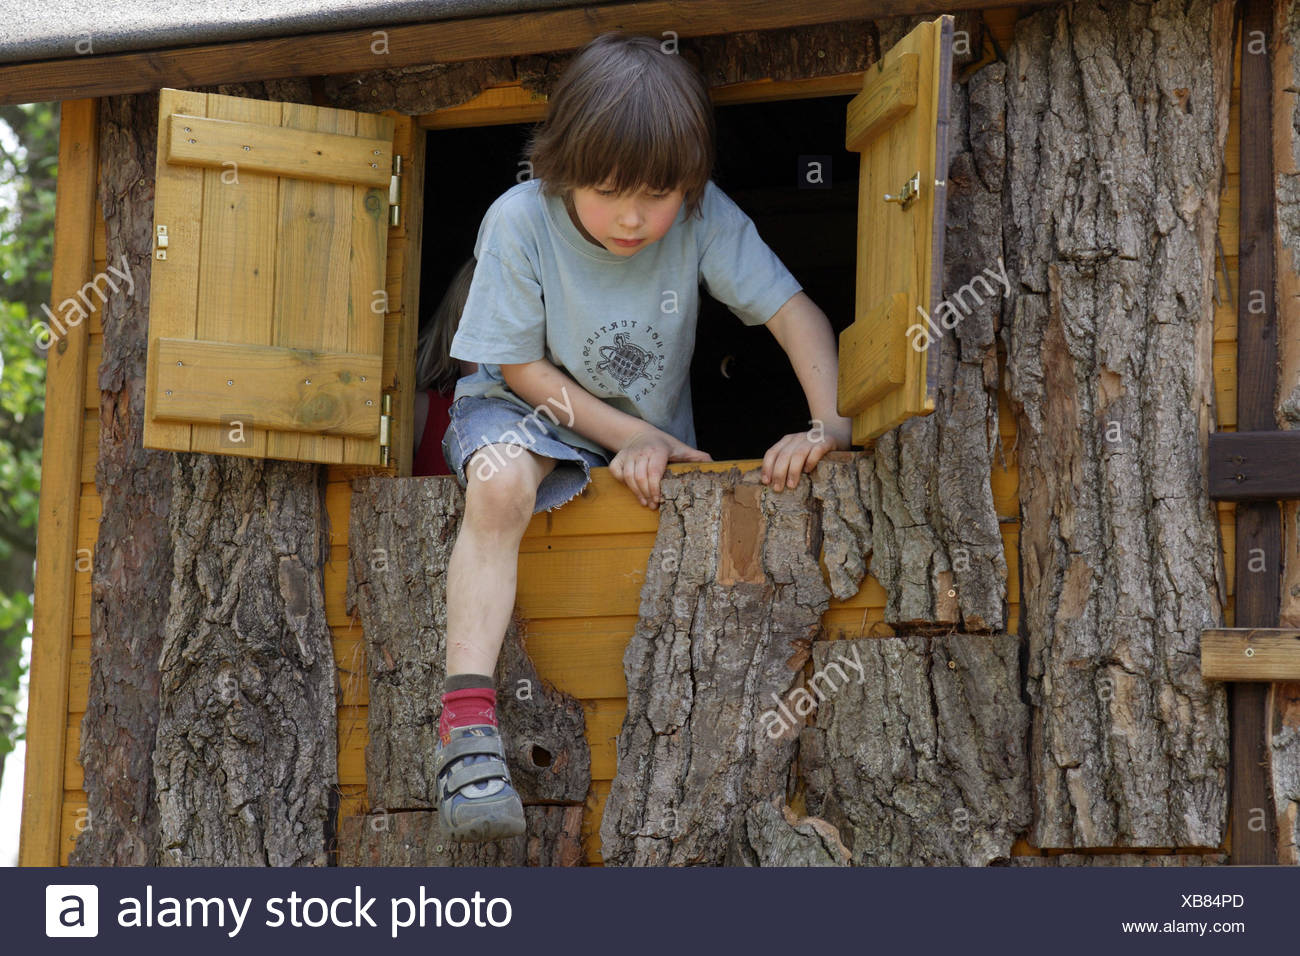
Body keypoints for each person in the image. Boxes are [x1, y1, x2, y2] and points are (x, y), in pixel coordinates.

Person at [433, 31, 854, 842]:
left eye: (657, 195)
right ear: (560, 168)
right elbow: (518, 367)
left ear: (689, 187)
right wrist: (634, 434)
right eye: (609, 191)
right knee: (496, 482)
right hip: (523, 411)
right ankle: (467, 728)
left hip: (645, 444)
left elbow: (793, 312)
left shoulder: (701, 216)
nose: (633, 216)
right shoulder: (520, 218)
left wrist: (828, 425)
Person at [412, 257, 477, 476]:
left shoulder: (544, 422)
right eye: (476, 335)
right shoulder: (422, 413)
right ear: (452, 342)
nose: (492, 356)